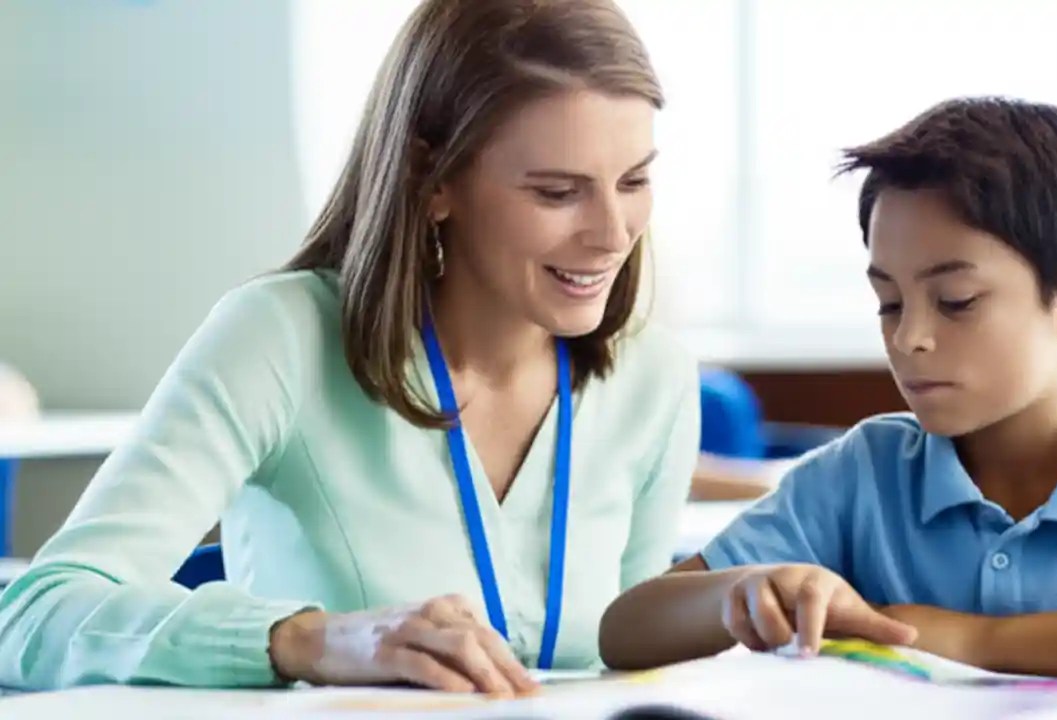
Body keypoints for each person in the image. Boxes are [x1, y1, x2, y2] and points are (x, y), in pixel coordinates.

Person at [0, 0, 700, 695]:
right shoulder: (280, 338)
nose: (613, 232)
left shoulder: (654, 377)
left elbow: (629, 666)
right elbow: (31, 616)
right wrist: (310, 639)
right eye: (557, 192)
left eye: (635, 180)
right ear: (433, 181)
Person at [598, 97, 1057, 683]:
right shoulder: (859, 477)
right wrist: (741, 592)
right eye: (889, 303)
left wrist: (982, 641)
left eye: (955, 301)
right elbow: (627, 630)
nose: (908, 338)